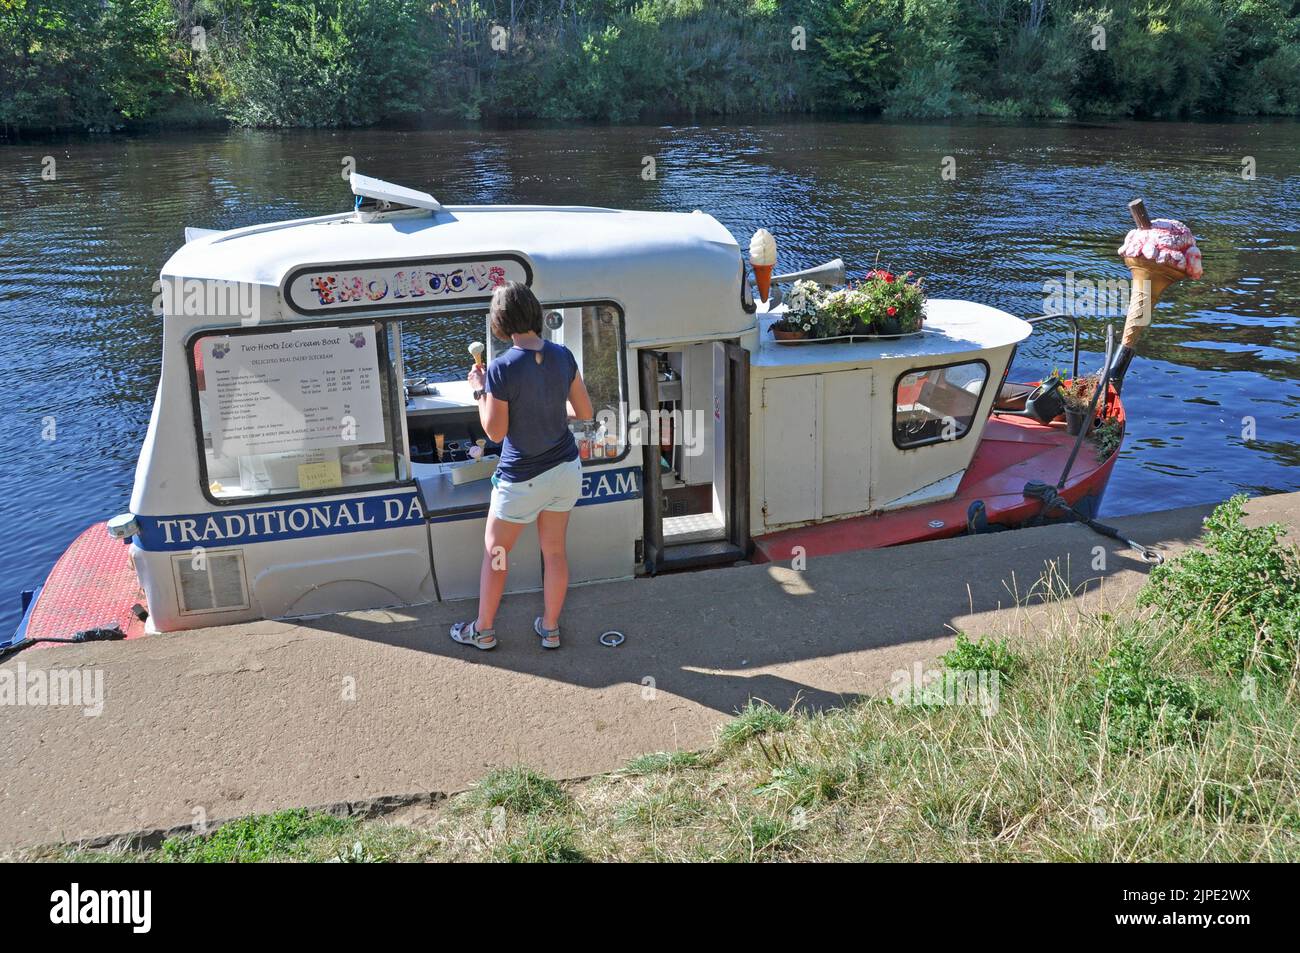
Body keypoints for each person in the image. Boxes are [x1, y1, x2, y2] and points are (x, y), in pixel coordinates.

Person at [450, 282, 593, 651]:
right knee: (555, 552)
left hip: (521, 481)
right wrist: (544, 408)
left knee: (496, 553)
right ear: (534, 313)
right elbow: (584, 412)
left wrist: (480, 390)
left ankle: (482, 630)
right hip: (564, 471)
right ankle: (550, 628)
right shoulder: (563, 355)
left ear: (500, 322)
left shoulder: (500, 369)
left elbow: (495, 432)